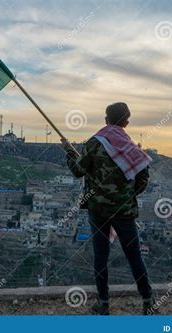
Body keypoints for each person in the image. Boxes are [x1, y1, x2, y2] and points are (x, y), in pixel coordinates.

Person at [61, 102, 154, 315]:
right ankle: (147, 300)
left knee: (100, 255)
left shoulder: (95, 143)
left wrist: (68, 151)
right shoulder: (132, 147)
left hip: (98, 210)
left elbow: (78, 170)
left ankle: (103, 303)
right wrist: (126, 196)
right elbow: (143, 178)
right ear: (126, 122)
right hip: (125, 212)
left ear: (106, 119)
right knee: (134, 255)